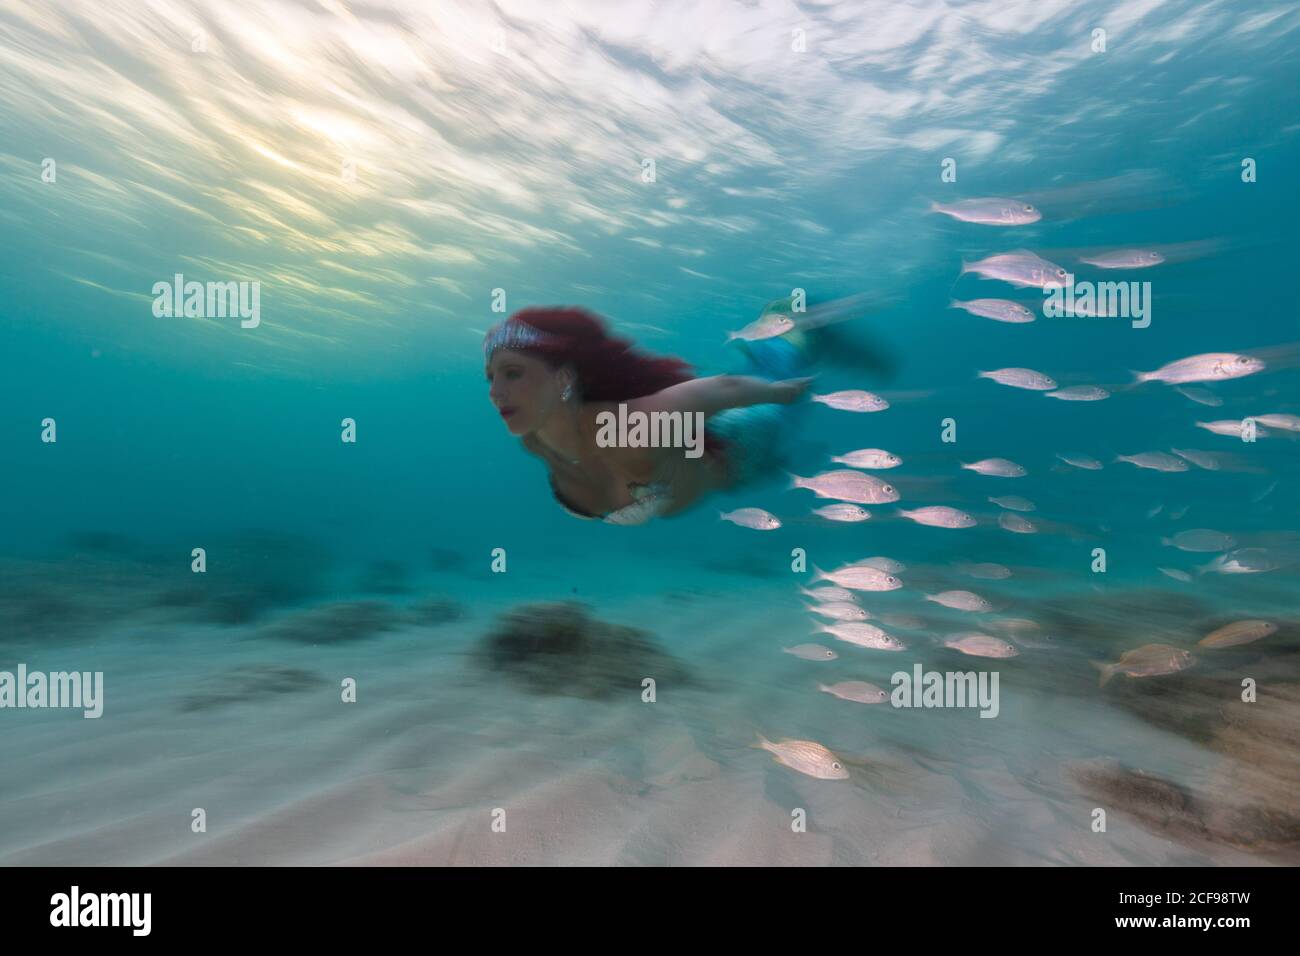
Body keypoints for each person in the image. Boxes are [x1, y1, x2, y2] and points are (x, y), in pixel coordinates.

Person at [483, 305, 819, 525]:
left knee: (774, 379)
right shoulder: (534, 439)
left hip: (743, 440)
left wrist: (784, 393)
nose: (494, 392)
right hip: (712, 463)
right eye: (491, 377)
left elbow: (724, 390)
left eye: (512, 373)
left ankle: (788, 331)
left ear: (563, 379)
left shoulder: (627, 430)